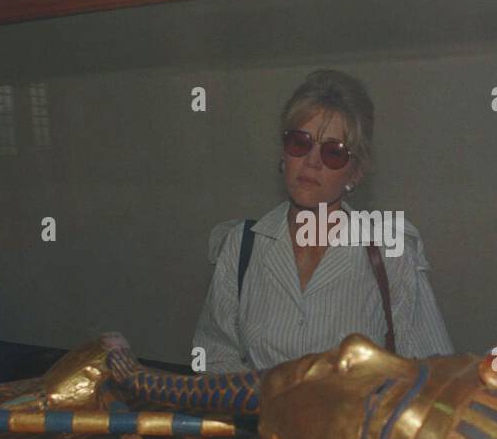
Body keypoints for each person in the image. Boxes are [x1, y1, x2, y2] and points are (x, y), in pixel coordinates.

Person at [192, 69, 452, 372]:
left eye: (333, 152)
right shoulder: (242, 246)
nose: (312, 161)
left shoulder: (389, 251)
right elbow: (213, 355)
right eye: (300, 143)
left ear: (354, 173)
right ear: (283, 154)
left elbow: (434, 373)